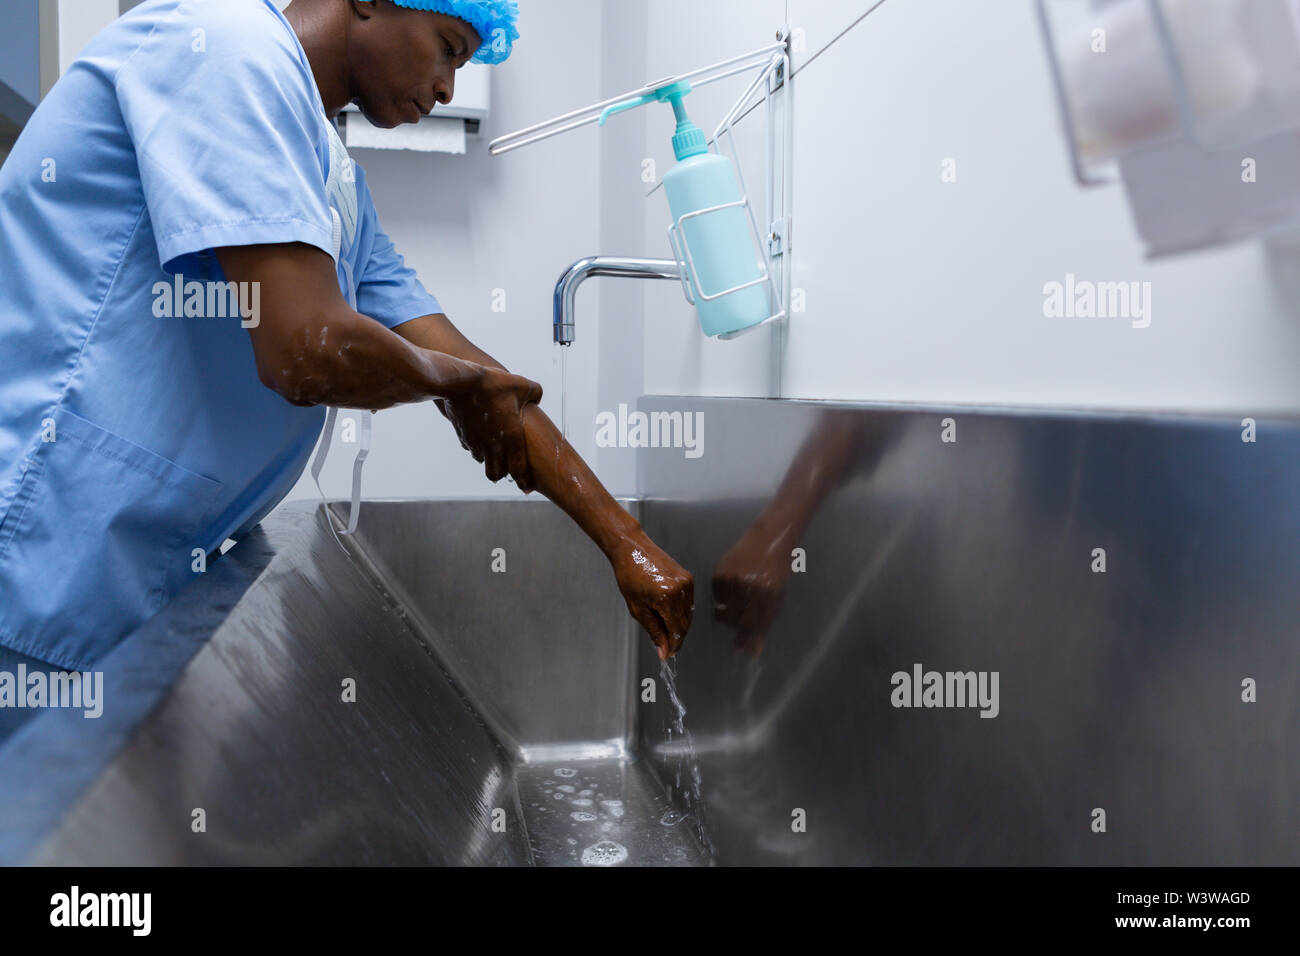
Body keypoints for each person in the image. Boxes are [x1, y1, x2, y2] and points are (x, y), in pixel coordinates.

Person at [0, 0, 693, 721]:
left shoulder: (333, 186)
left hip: (129, 587)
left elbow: (471, 368)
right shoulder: (225, 46)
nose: (451, 87)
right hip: (36, 559)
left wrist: (629, 545)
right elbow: (306, 350)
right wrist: (458, 387)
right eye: (448, 47)